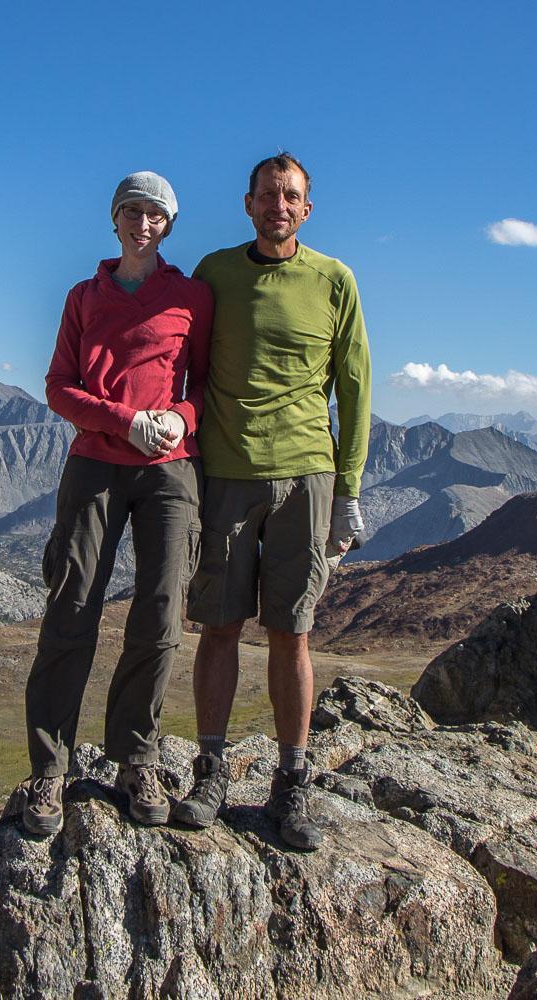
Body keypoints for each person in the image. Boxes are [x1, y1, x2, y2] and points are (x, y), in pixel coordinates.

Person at [171, 153, 371, 850]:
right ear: (247, 203)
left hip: (306, 477)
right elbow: (183, 365)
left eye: (291, 197)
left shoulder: (334, 279)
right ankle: (211, 770)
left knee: (292, 631)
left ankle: (291, 782)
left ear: (305, 209)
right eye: (267, 195)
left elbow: (355, 389)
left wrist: (348, 490)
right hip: (224, 473)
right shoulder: (214, 274)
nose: (278, 206)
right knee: (219, 626)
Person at [21, 171, 213, 836]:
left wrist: (181, 421)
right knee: (72, 606)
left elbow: (206, 388)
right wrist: (122, 420)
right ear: (115, 220)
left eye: (155, 215)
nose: (143, 224)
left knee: (161, 612)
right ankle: (49, 770)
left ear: (169, 225)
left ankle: (137, 758)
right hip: (96, 463)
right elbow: (57, 386)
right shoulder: (84, 296)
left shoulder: (190, 298)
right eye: (132, 212)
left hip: (168, 471)